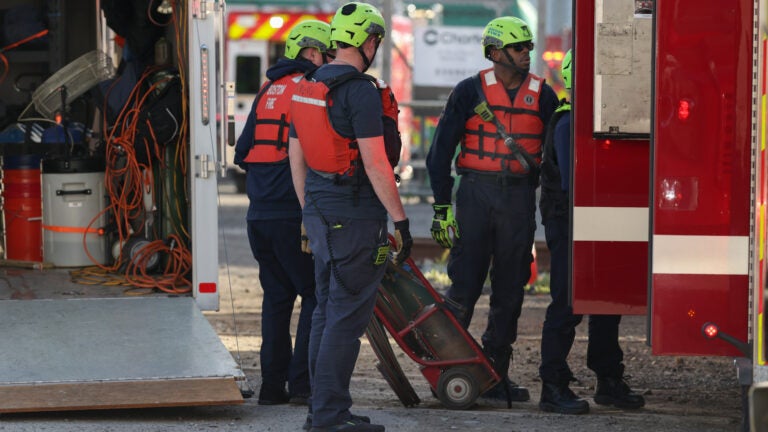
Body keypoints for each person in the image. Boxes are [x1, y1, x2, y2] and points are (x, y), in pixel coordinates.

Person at [288, 2, 412, 431]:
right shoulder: (359, 90)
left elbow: (296, 155)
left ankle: (322, 408)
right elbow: (377, 163)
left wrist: (308, 211)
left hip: (321, 209)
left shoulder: (307, 84)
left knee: (325, 311)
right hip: (354, 215)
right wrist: (401, 221)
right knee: (344, 317)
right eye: (376, 40)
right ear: (368, 41)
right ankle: (329, 415)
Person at [426, 16, 559, 408]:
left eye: (528, 48)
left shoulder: (545, 96)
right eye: (519, 48)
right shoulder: (469, 92)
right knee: (463, 287)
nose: (526, 54)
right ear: (496, 53)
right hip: (475, 197)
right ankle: (448, 369)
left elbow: (554, 161)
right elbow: (439, 155)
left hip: (518, 200)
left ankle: (494, 375)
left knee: (509, 292)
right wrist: (441, 208)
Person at [537, 49, 645, 414]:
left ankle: (608, 379)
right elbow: (574, 184)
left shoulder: (595, 120)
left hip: (594, 219)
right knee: (568, 303)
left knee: (607, 299)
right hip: (570, 223)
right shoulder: (569, 122)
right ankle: (552, 386)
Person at [232, 19, 333, 406]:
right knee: (313, 294)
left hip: (259, 217)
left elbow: (243, 152)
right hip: (294, 216)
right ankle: (303, 383)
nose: (329, 61)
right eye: (326, 54)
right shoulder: (311, 89)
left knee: (275, 298)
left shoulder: (268, 91)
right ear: (311, 52)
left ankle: (272, 387)